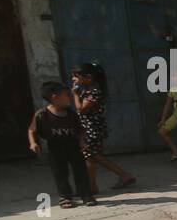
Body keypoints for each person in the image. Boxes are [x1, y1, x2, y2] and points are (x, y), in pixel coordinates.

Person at [69, 63, 136, 194]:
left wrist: (75, 95)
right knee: (91, 156)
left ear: (88, 77)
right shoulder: (87, 89)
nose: (73, 79)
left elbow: (81, 109)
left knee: (91, 155)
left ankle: (120, 176)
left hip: (92, 128)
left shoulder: (93, 92)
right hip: (89, 127)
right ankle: (94, 185)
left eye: (76, 76)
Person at [28, 81, 95, 208]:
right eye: (66, 95)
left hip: (73, 146)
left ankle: (86, 195)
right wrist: (33, 143)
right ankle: (65, 197)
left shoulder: (71, 114)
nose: (69, 98)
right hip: (55, 147)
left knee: (80, 171)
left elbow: (81, 130)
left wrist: (82, 141)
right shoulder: (42, 115)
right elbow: (31, 129)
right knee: (60, 173)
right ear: (55, 98)